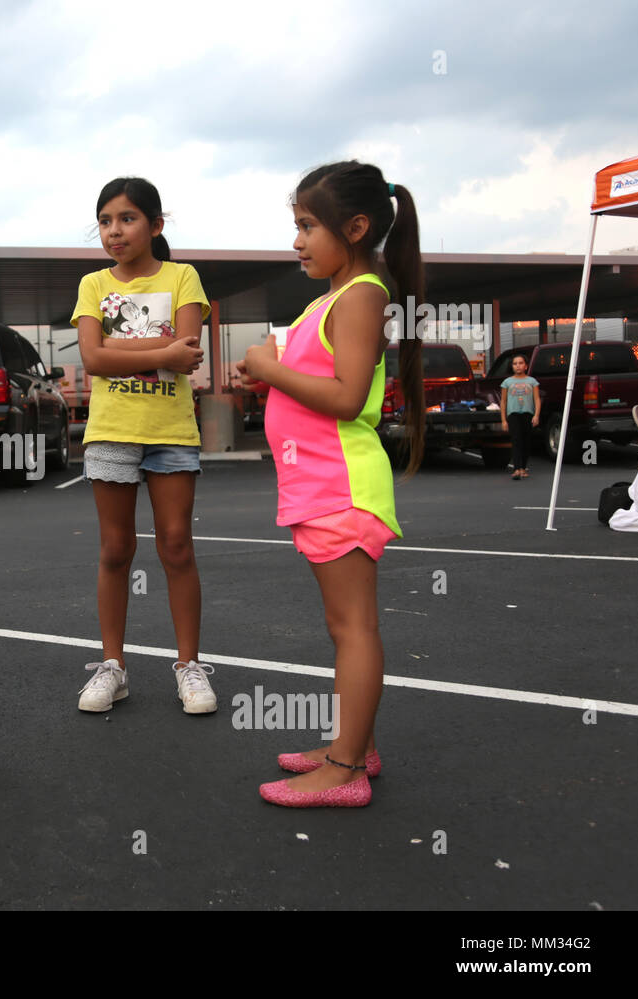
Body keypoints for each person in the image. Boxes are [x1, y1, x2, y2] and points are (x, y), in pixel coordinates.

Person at [236, 161, 424, 808]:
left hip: (341, 486)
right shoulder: (335, 296)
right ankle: (354, 743)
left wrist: (267, 366)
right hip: (321, 485)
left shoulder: (363, 293)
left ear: (358, 226)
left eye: (307, 225)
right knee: (344, 624)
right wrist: (266, 372)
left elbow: (345, 397)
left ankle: (345, 767)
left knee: (354, 628)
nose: (296, 240)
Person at [69, 177, 217, 715]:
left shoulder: (182, 277)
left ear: (155, 225)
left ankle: (190, 666)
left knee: (176, 545)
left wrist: (115, 345)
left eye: (127, 219)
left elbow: (189, 351)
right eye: (105, 220)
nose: (114, 231)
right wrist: (159, 349)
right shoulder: (92, 284)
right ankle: (112, 667)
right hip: (111, 430)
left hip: (170, 433)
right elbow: (91, 360)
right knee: (115, 549)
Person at [501, 353, 540, 479]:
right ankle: (517, 468)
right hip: (513, 414)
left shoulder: (532, 381)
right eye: (515, 363)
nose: (518, 366)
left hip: (528, 414)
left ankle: (523, 467)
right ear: (512, 366)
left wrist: (536, 415)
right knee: (516, 440)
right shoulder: (507, 382)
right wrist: (503, 420)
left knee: (526, 441)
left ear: (526, 366)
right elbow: (503, 401)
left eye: (520, 363)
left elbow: (537, 399)